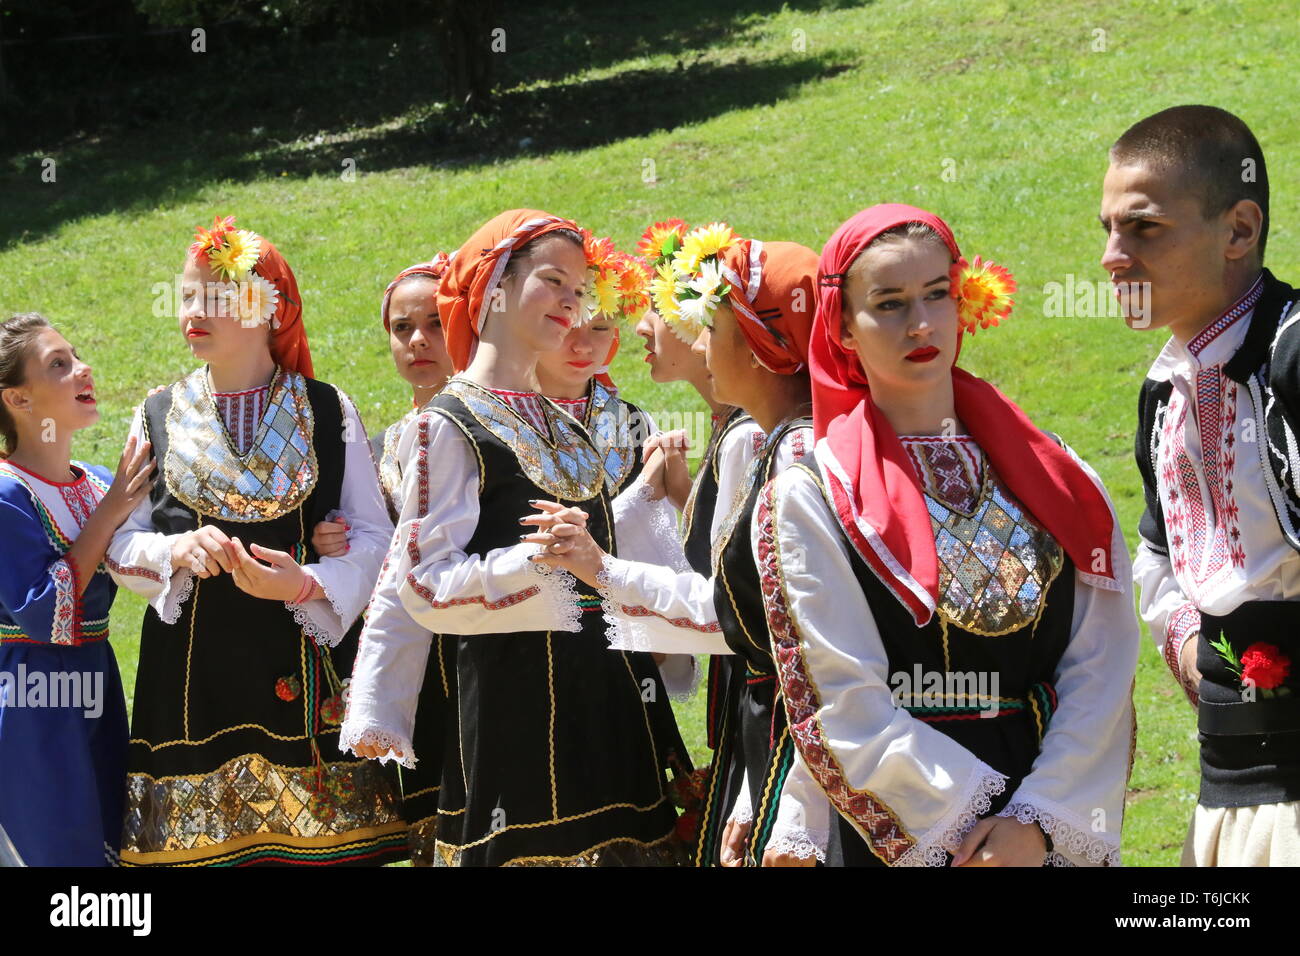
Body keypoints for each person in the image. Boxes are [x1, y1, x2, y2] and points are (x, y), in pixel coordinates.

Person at [758, 204, 1138, 866]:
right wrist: (965, 831)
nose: (923, 323)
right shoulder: (812, 493)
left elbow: (1101, 662)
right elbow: (843, 701)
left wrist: (1036, 821)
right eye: (891, 303)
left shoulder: (1052, 472)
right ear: (843, 326)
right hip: (913, 832)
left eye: (937, 294)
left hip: (1041, 814)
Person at [341, 209, 684, 866]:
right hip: (514, 707)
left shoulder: (563, 422)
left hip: (609, 702)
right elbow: (420, 583)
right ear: (494, 286)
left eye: (580, 289)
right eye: (554, 280)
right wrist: (530, 562)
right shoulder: (445, 425)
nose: (571, 301)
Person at [528, 226, 833, 865]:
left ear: (759, 346)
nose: (670, 333)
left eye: (706, 326)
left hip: (791, 735)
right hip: (773, 729)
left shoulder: (782, 449)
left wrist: (602, 566)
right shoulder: (771, 439)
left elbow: (752, 624)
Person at [107, 217, 406, 866]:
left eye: (215, 297)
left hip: (297, 672)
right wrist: (171, 553)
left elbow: (376, 539)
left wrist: (303, 582)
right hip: (191, 681)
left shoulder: (327, 409)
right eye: (187, 296)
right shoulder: (157, 414)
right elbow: (120, 541)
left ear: (267, 307)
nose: (193, 311)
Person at [1106, 106, 1300, 865]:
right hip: (1228, 793)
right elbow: (1158, 552)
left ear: (1238, 231)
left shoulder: (1291, 359)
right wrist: (1188, 640)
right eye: (1107, 229)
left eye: (1143, 228)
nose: (1112, 257)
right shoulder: (1166, 388)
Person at [0, 313, 154, 866]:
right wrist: (112, 510)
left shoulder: (92, 481)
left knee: (109, 843)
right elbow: (45, 611)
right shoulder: (6, 494)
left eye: (76, 356)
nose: (83, 370)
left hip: (97, 688)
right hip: (34, 703)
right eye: (59, 365)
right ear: (19, 399)